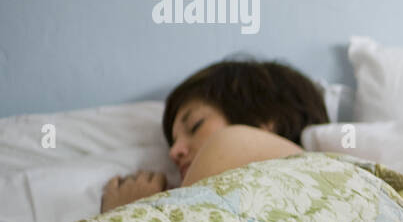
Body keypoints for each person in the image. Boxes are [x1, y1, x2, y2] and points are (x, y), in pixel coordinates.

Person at [100, 58, 329, 213]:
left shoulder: (232, 141)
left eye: (195, 125)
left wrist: (127, 211)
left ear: (267, 120)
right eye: (174, 140)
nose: (174, 152)